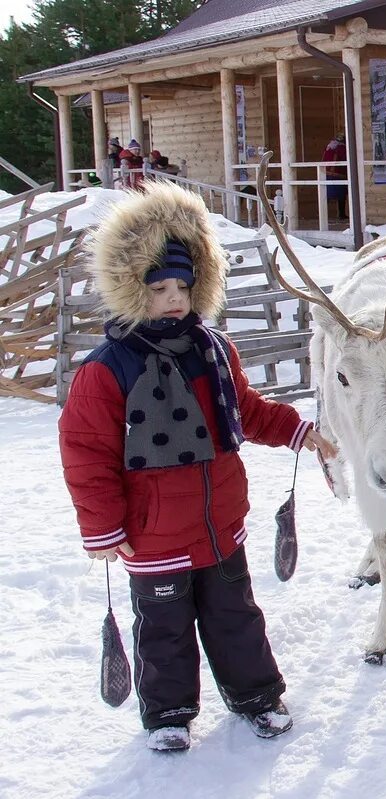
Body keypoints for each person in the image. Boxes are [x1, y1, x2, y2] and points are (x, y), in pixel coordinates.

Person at [58, 181, 336, 752]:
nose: (173, 298)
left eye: (182, 285)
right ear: (132, 291)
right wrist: (103, 529)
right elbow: (87, 455)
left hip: (220, 527)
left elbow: (247, 410)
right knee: (164, 632)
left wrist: (297, 430)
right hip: (152, 536)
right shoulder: (108, 370)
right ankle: (168, 714)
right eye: (158, 287)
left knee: (236, 617)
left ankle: (257, 696)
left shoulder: (213, 349)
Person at [322, 132, 348, 219]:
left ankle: (323, 215)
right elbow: (345, 158)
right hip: (338, 173)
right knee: (341, 195)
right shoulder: (341, 147)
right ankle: (341, 214)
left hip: (327, 174)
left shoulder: (329, 147)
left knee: (327, 195)